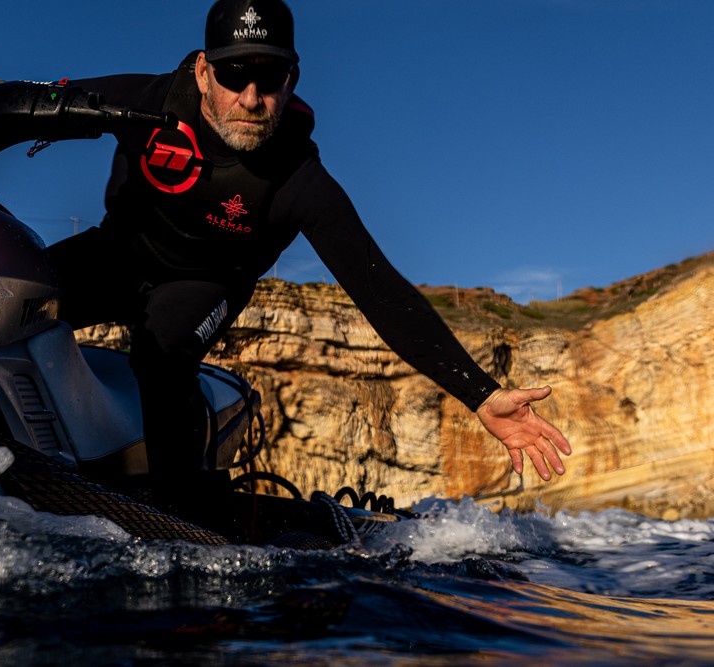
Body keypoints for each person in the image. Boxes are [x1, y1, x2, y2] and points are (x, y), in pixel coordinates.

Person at [47, 0, 571, 507]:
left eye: (269, 78)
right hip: (116, 254)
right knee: (7, 290)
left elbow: (380, 291)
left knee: (160, 348)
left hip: (205, 284)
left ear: (291, 79)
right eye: (233, 76)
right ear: (203, 72)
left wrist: (481, 394)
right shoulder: (145, 102)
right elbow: (12, 108)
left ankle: (180, 515)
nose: (251, 99)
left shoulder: (300, 180)